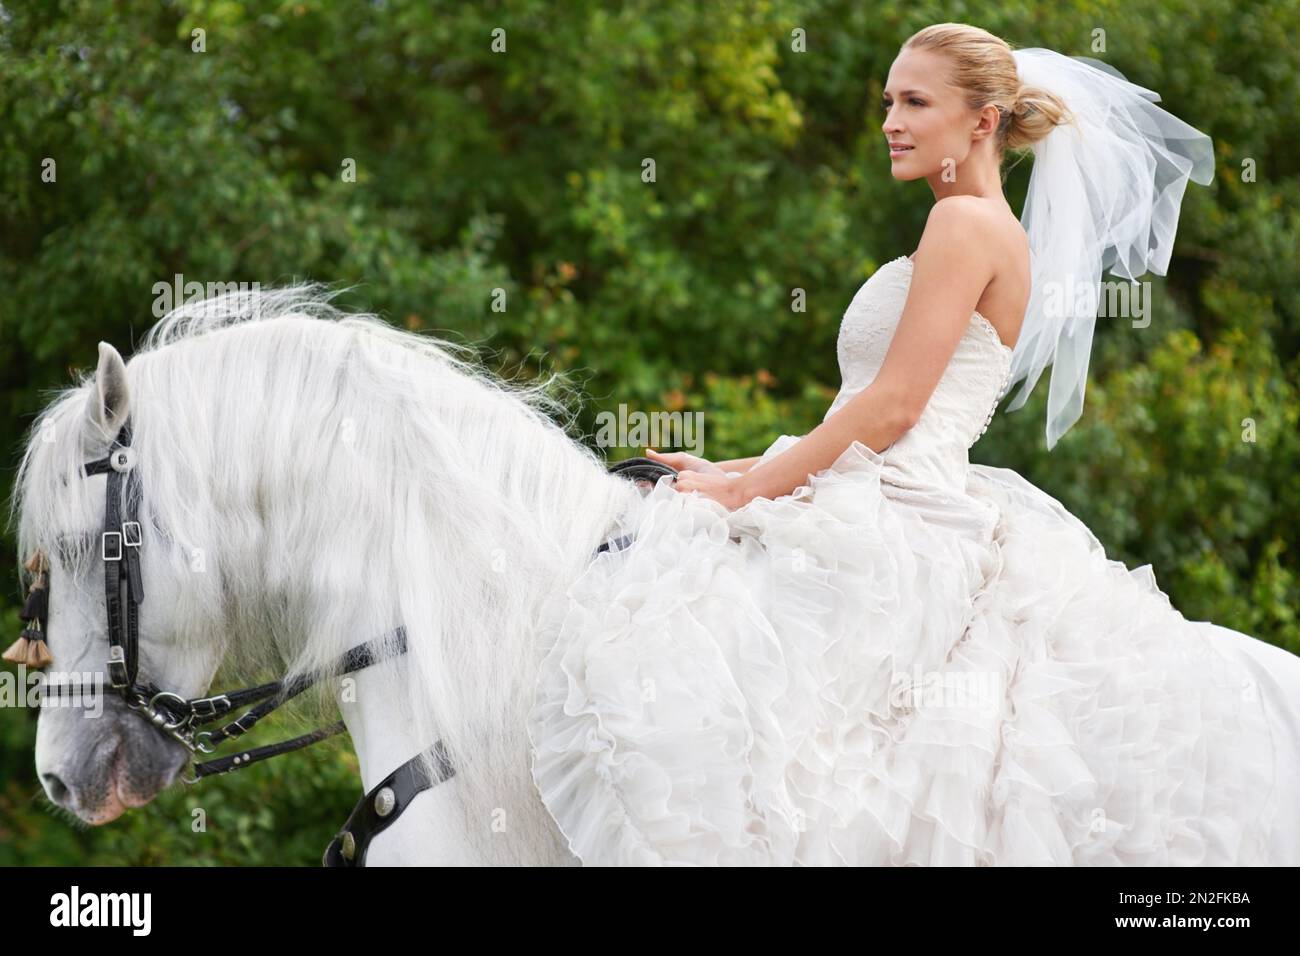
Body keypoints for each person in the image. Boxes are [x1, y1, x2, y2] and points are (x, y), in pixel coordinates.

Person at [526, 23, 1300, 865]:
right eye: (889, 101)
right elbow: (866, 413)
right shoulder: (971, 224)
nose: (891, 121)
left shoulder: (964, 223)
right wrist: (737, 468)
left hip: (898, 514)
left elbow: (895, 410)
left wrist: (746, 492)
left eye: (916, 102)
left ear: (983, 121)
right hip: (875, 489)